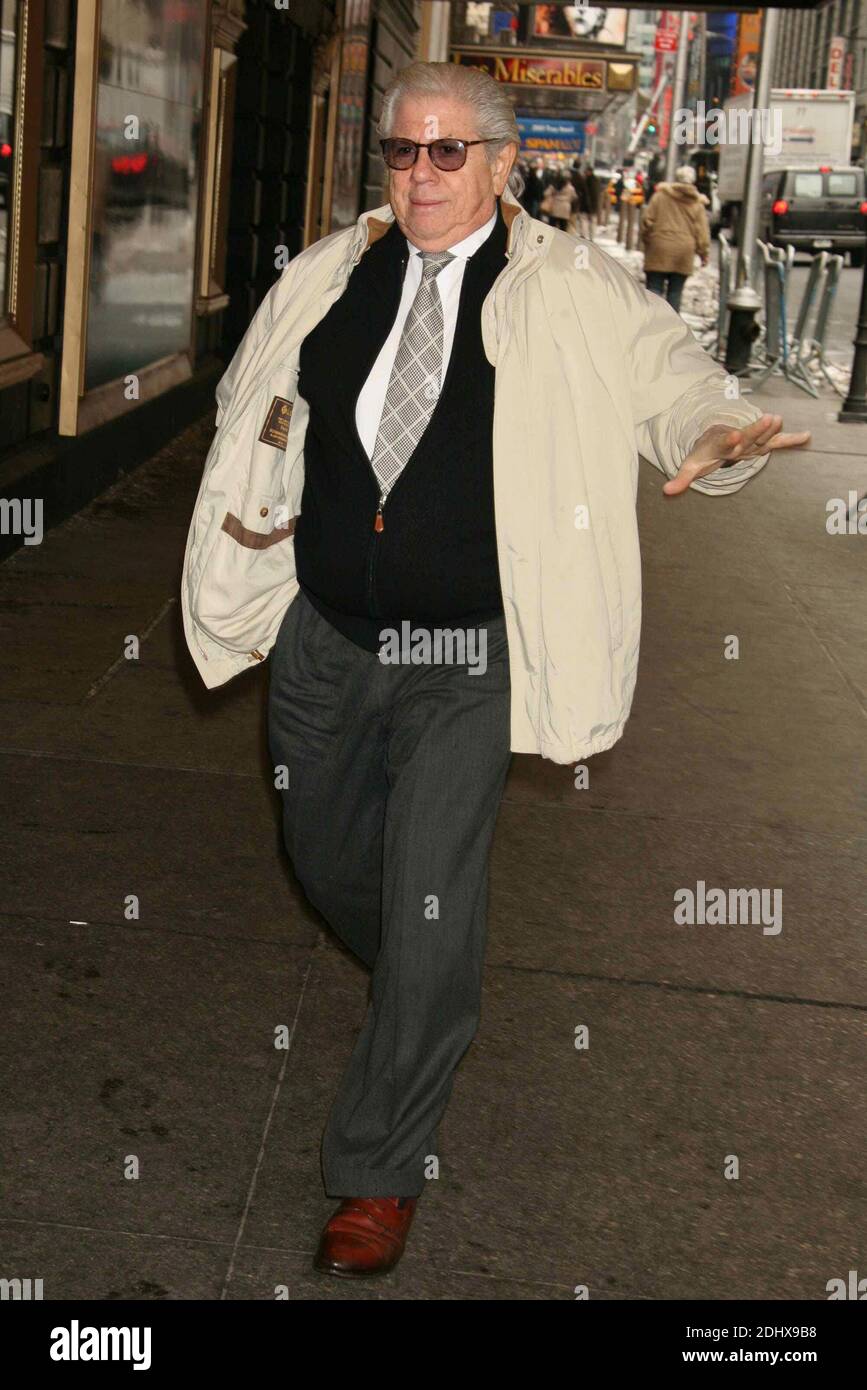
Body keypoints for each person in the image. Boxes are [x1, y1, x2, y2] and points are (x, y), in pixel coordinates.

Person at [181, 61, 810, 1279]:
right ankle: (436, 979)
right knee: (321, 858)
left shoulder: (575, 286)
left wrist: (719, 436)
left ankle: (376, 1167)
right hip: (323, 640)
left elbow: (683, 389)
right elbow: (250, 398)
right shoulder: (330, 271)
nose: (420, 175)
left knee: (425, 898)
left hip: (468, 654)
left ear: (504, 160)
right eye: (402, 153)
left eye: (448, 152)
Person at [639, 163, 710, 314]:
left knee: (654, 288)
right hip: (684, 252)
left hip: (659, 247)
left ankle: (651, 324)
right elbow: (701, 231)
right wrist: (703, 252)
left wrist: (647, 241)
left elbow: (647, 221)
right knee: (675, 293)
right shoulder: (697, 204)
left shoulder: (660, 197)